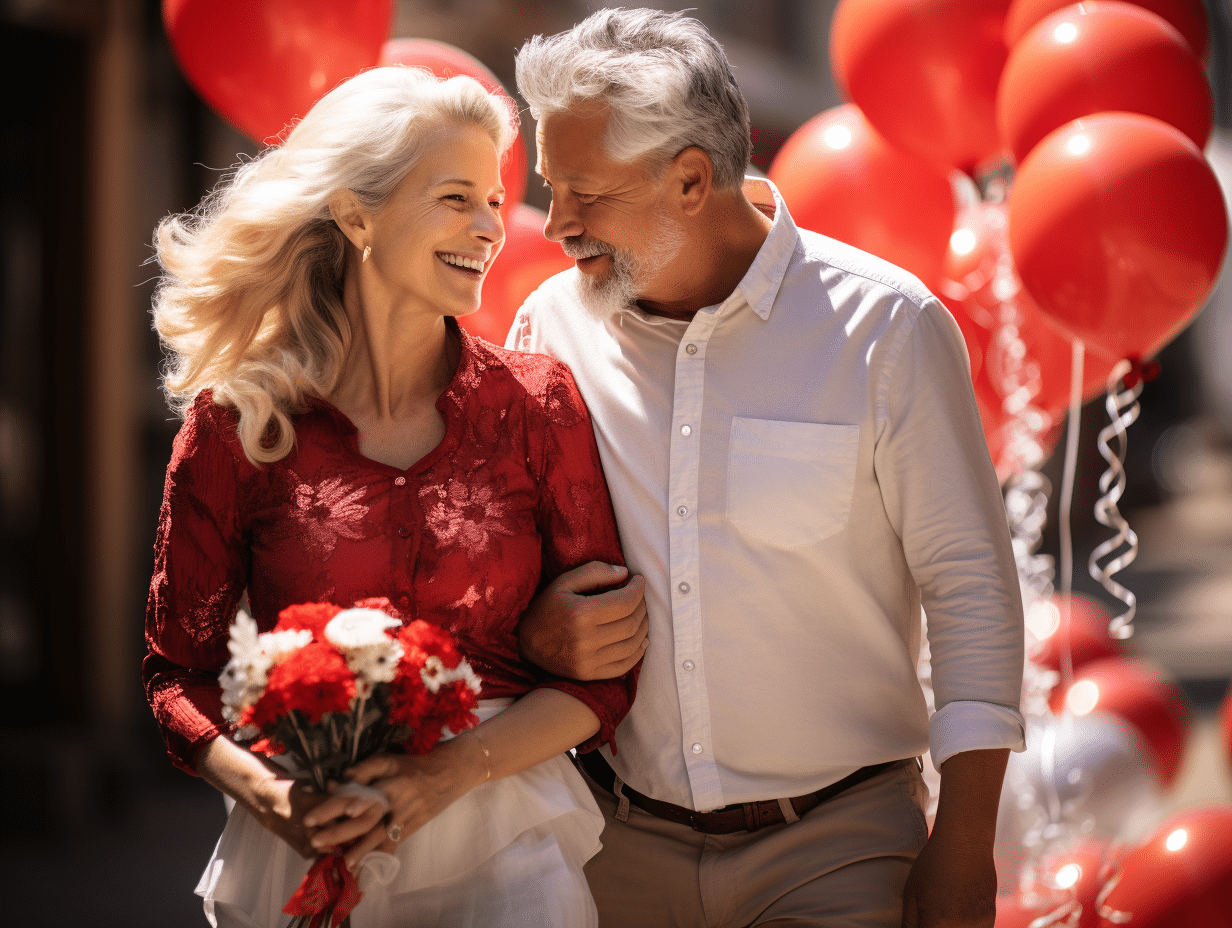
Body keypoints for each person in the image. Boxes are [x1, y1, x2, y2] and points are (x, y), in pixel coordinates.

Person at [507, 9, 1025, 928]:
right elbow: (503, 558)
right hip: (610, 847)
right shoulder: (548, 329)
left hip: (842, 847)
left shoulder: (887, 330)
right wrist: (535, 635)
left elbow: (969, 588)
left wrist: (966, 845)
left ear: (692, 180)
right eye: (552, 188)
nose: (557, 225)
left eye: (585, 193)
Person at [143, 65, 640, 928]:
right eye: (456, 199)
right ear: (355, 212)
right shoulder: (238, 424)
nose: (490, 227)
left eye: (494, 199)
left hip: (509, 847)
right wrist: (271, 796)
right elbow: (174, 679)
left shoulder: (538, 406)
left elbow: (608, 678)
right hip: (304, 849)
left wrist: (447, 772)